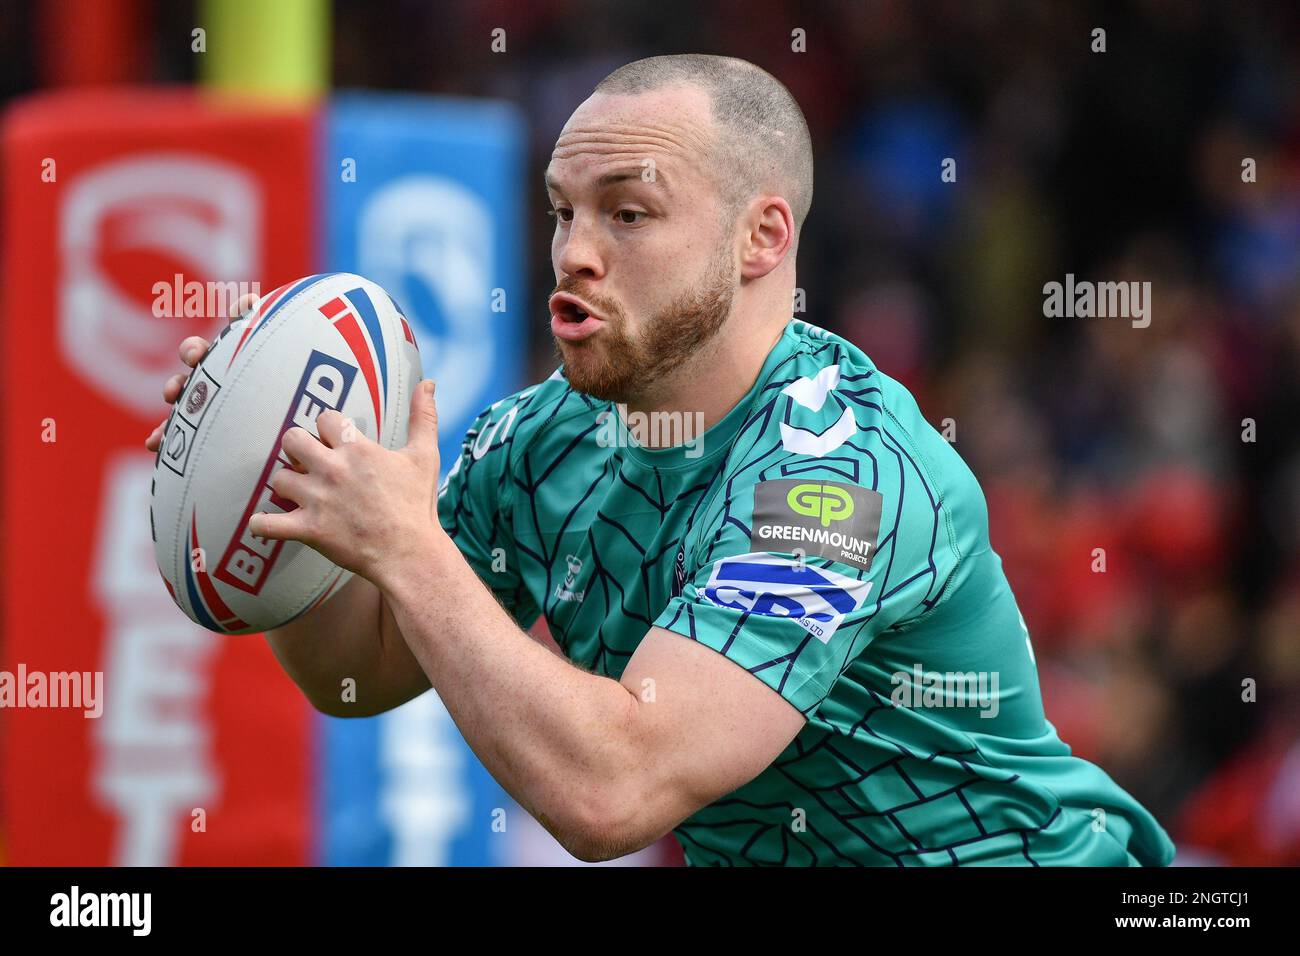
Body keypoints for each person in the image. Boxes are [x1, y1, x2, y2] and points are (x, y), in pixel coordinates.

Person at [146, 54, 1176, 866]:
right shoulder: (536, 439)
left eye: (628, 213)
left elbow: (612, 795)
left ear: (760, 237)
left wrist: (409, 548)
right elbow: (356, 672)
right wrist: (290, 492)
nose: (574, 251)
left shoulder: (836, 472)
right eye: (562, 210)